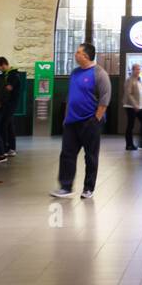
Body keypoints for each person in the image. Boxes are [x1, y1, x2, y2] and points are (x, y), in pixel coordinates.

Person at [50, 43, 110, 199]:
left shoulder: (100, 73)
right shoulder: (75, 73)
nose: (75, 54)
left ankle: (88, 188)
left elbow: (104, 100)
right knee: (67, 154)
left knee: (90, 156)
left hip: (90, 122)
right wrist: (66, 117)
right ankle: (65, 186)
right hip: (71, 122)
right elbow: (71, 97)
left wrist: (96, 119)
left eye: (78, 52)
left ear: (86, 56)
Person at [0, 57, 22, 156]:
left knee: (5, 125)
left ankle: (8, 148)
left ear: (3, 64)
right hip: (7, 104)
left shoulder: (14, 75)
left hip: (11, 104)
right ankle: (9, 147)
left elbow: (9, 88)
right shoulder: (6, 74)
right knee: (8, 125)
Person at [123, 62, 142, 150]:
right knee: (131, 125)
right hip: (131, 106)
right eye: (136, 69)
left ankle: (141, 143)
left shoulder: (139, 80)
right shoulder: (129, 80)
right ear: (133, 70)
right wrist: (135, 105)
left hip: (139, 107)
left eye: (139, 69)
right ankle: (129, 145)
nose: (138, 71)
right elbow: (128, 94)